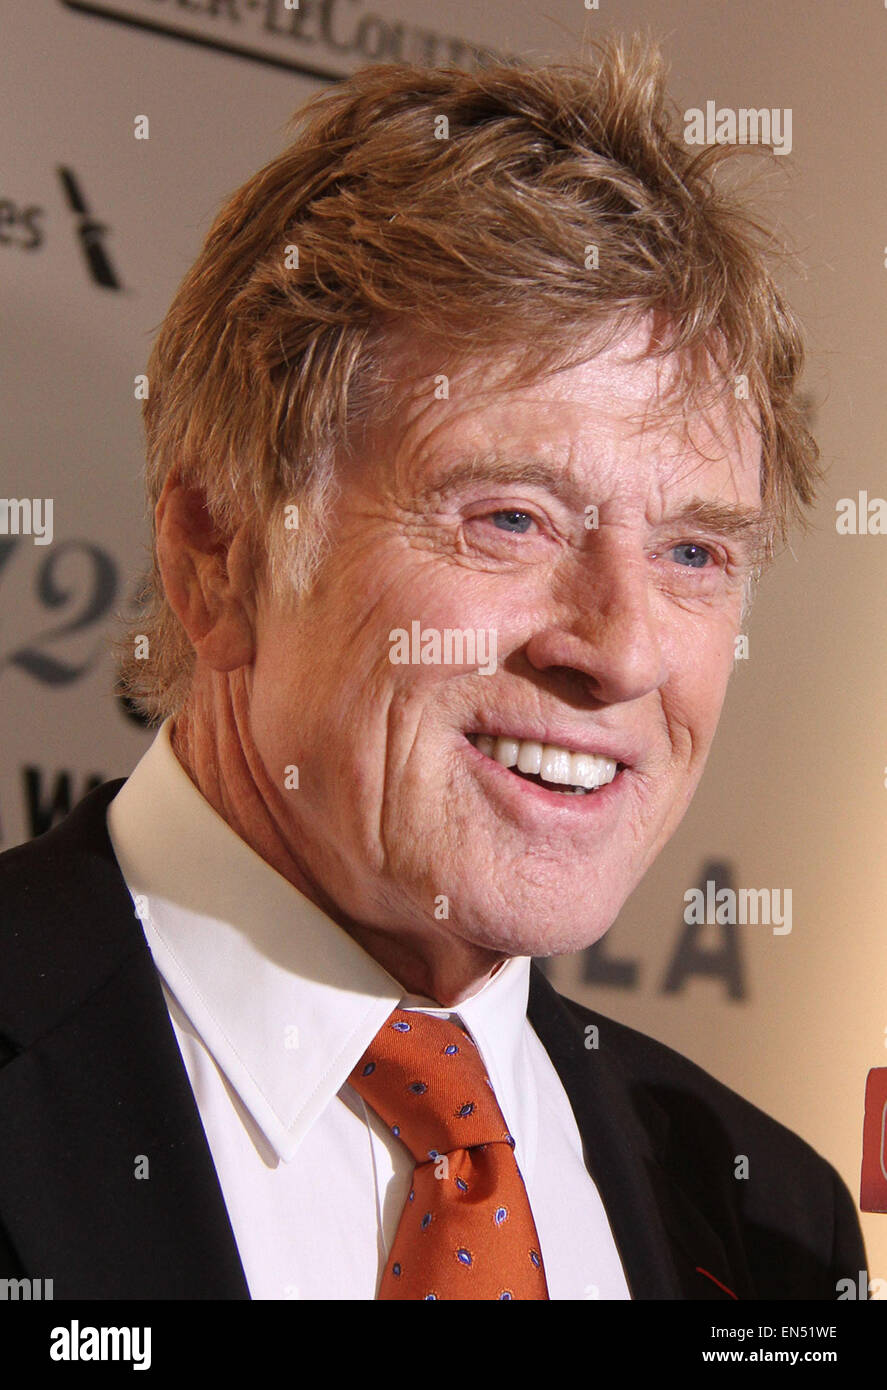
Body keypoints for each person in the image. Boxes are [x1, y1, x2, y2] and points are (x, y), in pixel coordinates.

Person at [0, 36, 866, 1300]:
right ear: (217, 555)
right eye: (508, 519)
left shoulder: (767, 1215)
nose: (619, 649)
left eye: (691, 550)